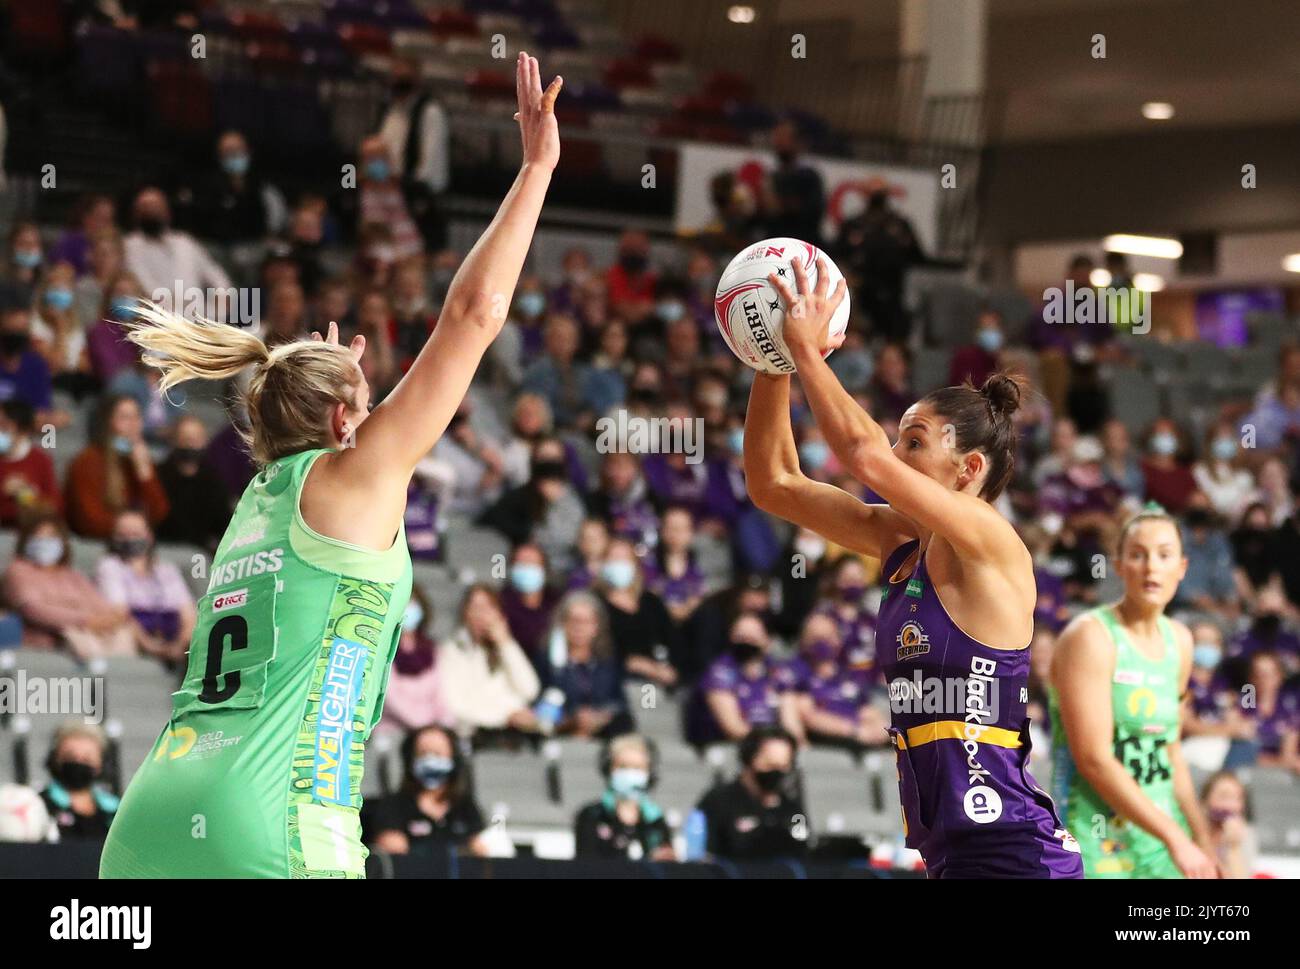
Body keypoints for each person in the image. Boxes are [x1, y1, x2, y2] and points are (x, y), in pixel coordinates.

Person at [98, 53, 563, 879]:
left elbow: (300, 417)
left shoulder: (258, 499)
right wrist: (535, 170)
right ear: (349, 421)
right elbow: (473, 314)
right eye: (370, 398)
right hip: (269, 818)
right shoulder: (354, 478)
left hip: (151, 820)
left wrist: (334, 386)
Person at [742, 255, 1082, 878]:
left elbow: (862, 457)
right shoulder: (902, 543)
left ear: (969, 469)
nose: (897, 453)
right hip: (950, 856)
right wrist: (775, 364)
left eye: (916, 441)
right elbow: (775, 485)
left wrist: (810, 353)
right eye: (899, 439)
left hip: (1014, 855)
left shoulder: (992, 542)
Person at [1050, 506, 1218, 878]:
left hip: (1161, 837)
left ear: (1182, 568)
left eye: (1164, 555)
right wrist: (1178, 838)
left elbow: (1170, 750)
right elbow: (1093, 758)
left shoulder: (1181, 640)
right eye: (1138, 555)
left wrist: (1200, 837)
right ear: (1119, 565)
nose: (1151, 567)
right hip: (1094, 836)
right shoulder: (1090, 636)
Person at [2, 512, 142, 658]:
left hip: (92, 636)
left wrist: (111, 617)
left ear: (62, 542)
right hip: (48, 645)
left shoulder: (72, 575)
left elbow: (99, 605)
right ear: (25, 541)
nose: (44, 541)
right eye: (37, 536)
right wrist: (84, 621)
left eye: (51, 537)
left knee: (123, 634)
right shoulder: (17, 571)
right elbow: (32, 608)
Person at [363, 725, 488, 858]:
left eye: (438, 754)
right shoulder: (393, 805)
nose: (430, 760)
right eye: (423, 753)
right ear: (411, 760)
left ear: (454, 759)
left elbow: (480, 848)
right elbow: (392, 851)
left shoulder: (466, 807)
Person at [437, 583, 541, 741]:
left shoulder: (506, 648)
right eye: (476, 607)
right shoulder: (451, 651)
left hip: (514, 736)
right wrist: (505, 717)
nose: (482, 614)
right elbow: (455, 705)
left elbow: (530, 690)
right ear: (465, 613)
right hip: (474, 737)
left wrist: (505, 643)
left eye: (489, 607)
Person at [94, 508, 196, 664]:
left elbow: (188, 614)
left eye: (135, 534)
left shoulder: (166, 569)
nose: (129, 540)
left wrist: (180, 645)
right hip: (137, 635)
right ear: (113, 538)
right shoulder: (110, 566)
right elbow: (120, 613)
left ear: (149, 536)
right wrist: (151, 646)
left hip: (173, 635)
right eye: (122, 535)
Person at [695, 725, 809, 862]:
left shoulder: (792, 810)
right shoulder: (719, 801)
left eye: (783, 767)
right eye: (769, 765)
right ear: (748, 760)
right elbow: (705, 857)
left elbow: (802, 852)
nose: (777, 773)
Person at [64, 393, 169, 539]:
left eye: (137, 417)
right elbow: (88, 521)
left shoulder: (141, 461)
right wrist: (129, 528)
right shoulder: (87, 461)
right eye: (125, 418)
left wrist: (145, 474)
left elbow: (158, 513)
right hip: (97, 543)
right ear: (108, 422)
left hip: (137, 543)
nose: (133, 424)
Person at [537, 590, 634, 740]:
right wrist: (572, 719)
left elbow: (619, 703)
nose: (579, 627)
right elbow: (540, 703)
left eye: (587, 621)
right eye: (574, 620)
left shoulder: (608, 662)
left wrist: (598, 717)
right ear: (562, 623)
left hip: (603, 733)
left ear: (597, 626)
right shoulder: (545, 661)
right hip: (560, 734)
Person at [573, 734, 675, 861]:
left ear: (649, 774)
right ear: (609, 770)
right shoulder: (591, 815)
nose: (630, 773)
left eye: (637, 768)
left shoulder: (656, 821)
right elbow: (586, 866)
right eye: (623, 766)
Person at [122, 186, 233, 297]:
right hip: (157, 310)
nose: (152, 211)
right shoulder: (128, 246)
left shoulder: (184, 241)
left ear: (167, 212)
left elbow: (213, 273)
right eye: (146, 207)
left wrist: (223, 293)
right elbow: (141, 285)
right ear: (136, 213)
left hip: (198, 310)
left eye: (157, 206)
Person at [155, 415, 232, 549]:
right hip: (163, 547)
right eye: (185, 439)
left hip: (201, 551)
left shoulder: (213, 480)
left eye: (196, 440)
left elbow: (224, 523)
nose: (191, 445)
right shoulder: (159, 475)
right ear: (174, 441)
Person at [39, 723, 119, 843]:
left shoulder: (116, 811)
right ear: (55, 759)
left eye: (87, 759)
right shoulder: (39, 805)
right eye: (70, 756)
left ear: (101, 764)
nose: (78, 762)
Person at [0, 398, 61, 526]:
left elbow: (53, 506)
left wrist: (27, 495)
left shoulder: (41, 460)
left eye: (4, 426)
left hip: (30, 531)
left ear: (23, 430)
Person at [1200, 771, 1255, 879]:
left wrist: (1234, 848)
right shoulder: (1188, 830)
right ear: (1205, 801)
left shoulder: (1246, 835)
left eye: (1238, 798)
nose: (1232, 805)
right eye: (1224, 796)